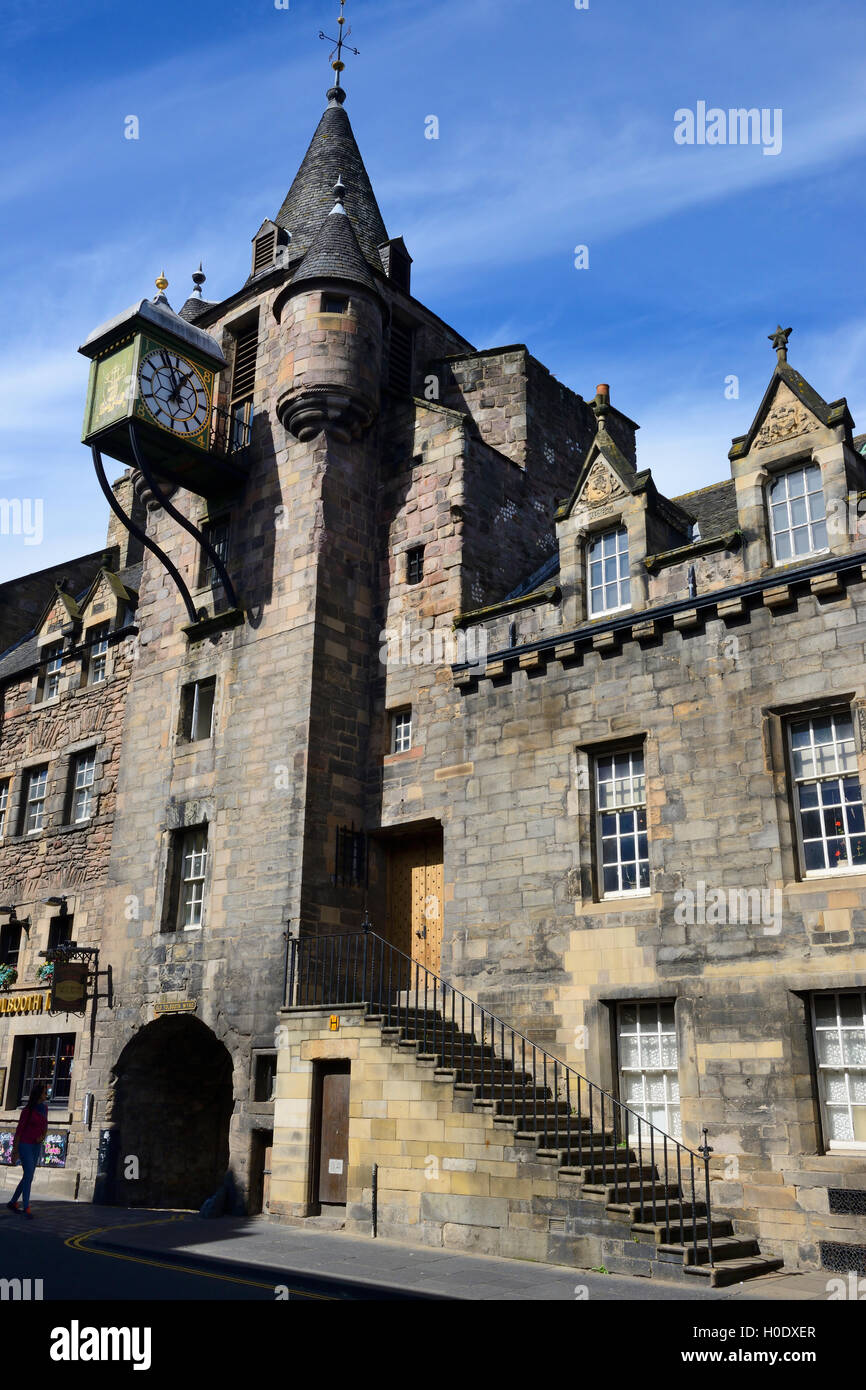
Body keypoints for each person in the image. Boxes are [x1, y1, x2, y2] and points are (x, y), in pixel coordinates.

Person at [7, 1083, 48, 1218]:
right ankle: (26, 1207)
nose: (46, 1094)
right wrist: (15, 1149)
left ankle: (13, 1202)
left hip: (36, 1145)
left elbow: (45, 1126)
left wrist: (42, 1137)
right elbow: (19, 1131)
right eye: (44, 1092)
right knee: (29, 1173)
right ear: (38, 1094)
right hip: (25, 1145)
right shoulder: (27, 1111)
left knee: (28, 1176)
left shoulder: (44, 1109)